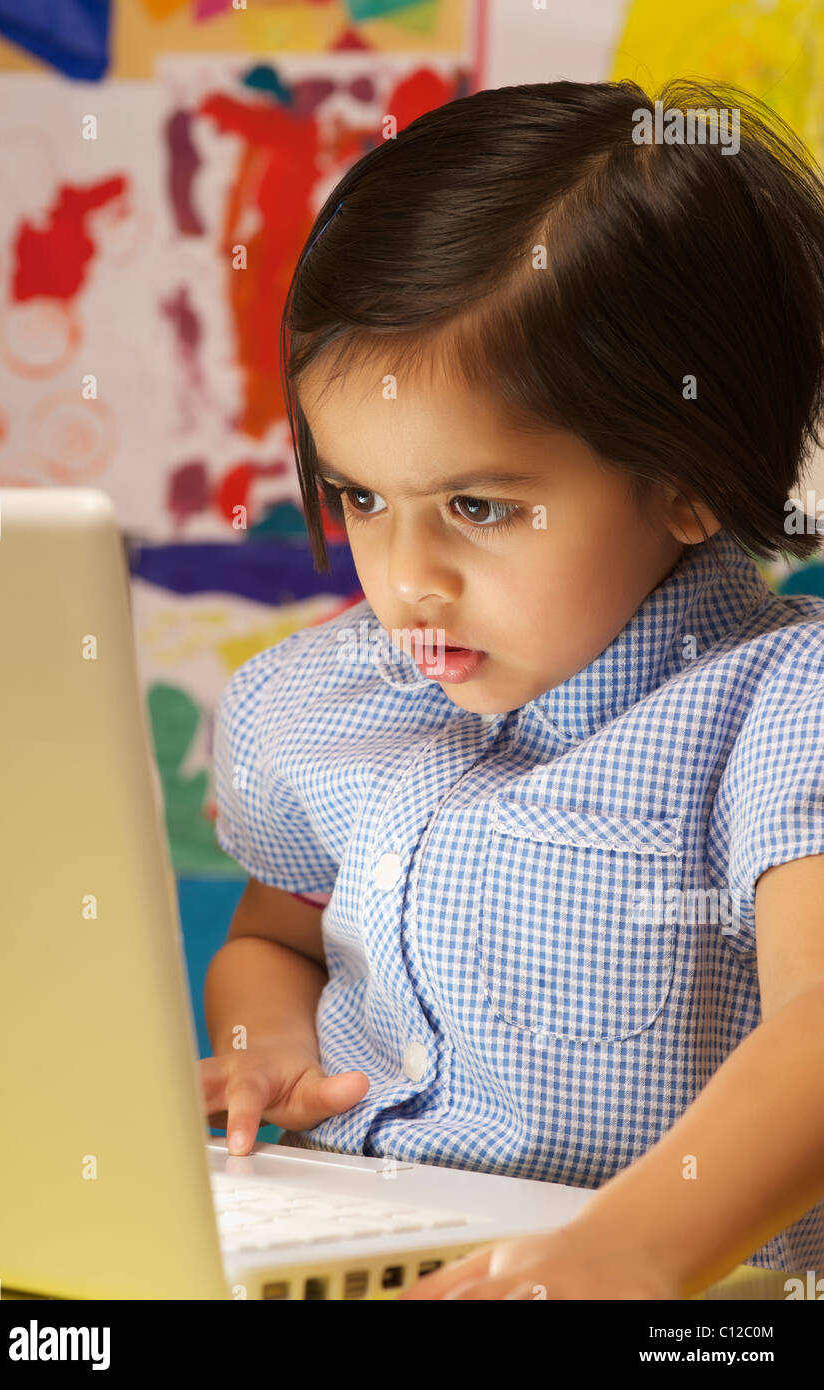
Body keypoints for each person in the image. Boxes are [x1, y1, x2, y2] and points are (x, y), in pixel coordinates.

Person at [203, 77, 824, 1300]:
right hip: (352, 1257)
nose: (407, 578)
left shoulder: (779, 706)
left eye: (479, 507)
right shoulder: (324, 702)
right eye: (362, 499)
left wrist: (630, 1254)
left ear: (690, 480)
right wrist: (264, 1042)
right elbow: (272, 938)